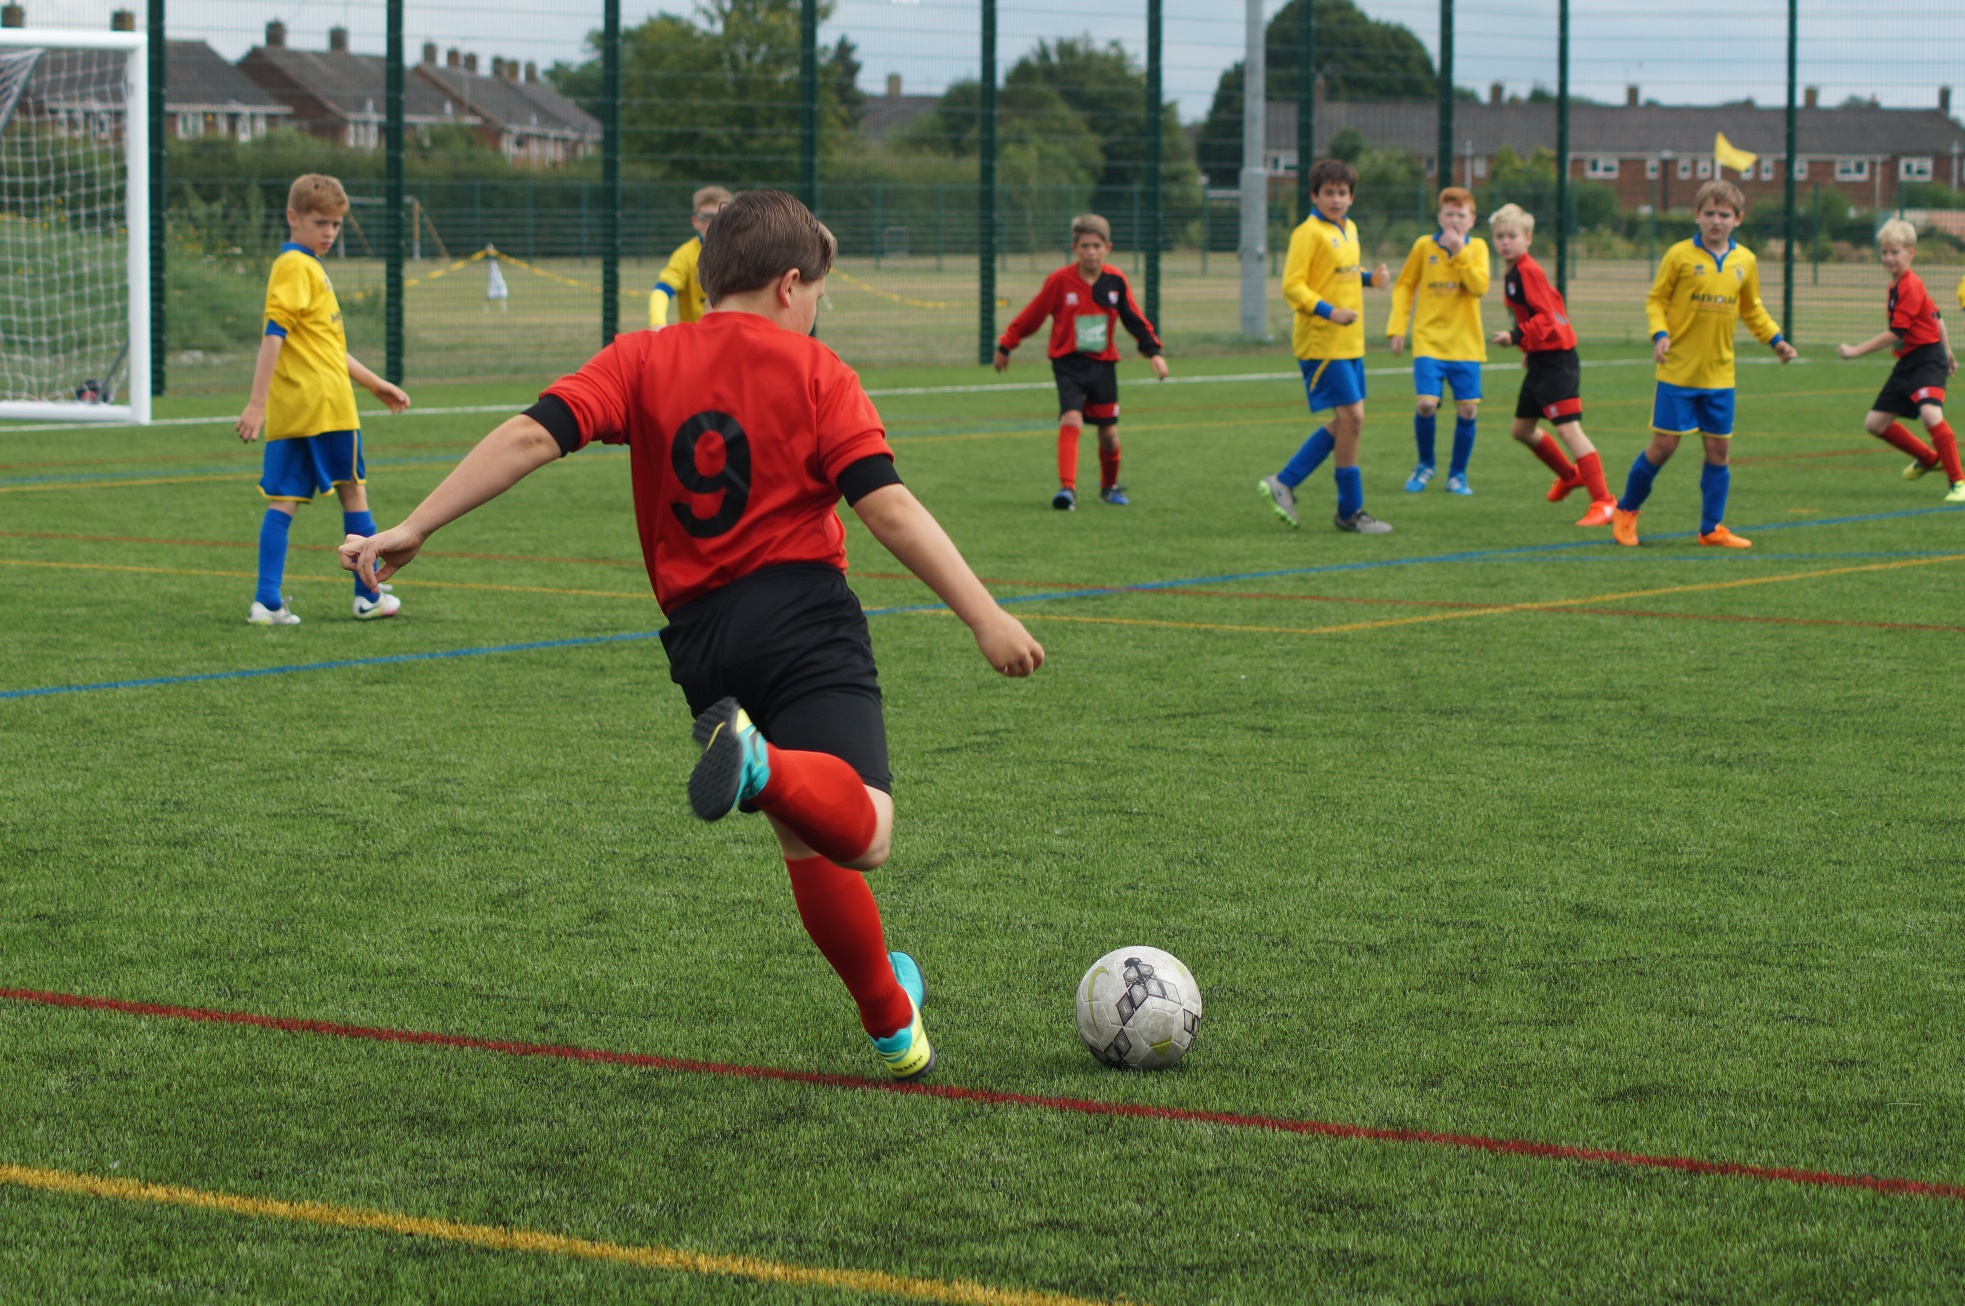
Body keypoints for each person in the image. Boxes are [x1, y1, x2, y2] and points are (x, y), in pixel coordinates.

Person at [339, 191, 1046, 1082]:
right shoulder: (818, 371)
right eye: (818, 292)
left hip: (703, 640)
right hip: (801, 616)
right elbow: (887, 507)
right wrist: (984, 615)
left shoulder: (640, 357)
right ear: (790, 284)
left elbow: (529, 437)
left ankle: (892, 1024)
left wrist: (416, 524)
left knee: (804, 837)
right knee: (864, 833)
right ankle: (762, 767)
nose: (817, 308)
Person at [234, 173, 411, 625]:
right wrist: (255, 403)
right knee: (354, 494)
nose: (329, 232)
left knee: (283, 500)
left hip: (294, 411)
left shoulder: (304, 265)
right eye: (320, 223)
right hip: (328, 408)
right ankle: (367, 596)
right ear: (293, 217)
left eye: (335, 224)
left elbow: (325, 346)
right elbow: (273, 336)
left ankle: (266, 602)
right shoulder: (297, 266)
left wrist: (374, 383)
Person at [1612, 180, 1797, 549]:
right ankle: (1626, 511)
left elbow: (1752, 309)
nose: (1716, 220)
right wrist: (1659, 334)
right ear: (1696, 215)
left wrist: (1776, 340)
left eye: (1724, 214)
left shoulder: (1745, 261)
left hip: (1719, 375)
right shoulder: (1679, 255)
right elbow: (1656, 300)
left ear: (1738, 218)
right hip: (1677, 371)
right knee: (1663, 447)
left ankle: (1711, 529)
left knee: (1719, 453)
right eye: (1709, 213)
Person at [994, 214, 1167, 509]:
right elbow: (1032, 315)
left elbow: (1134, 319)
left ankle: (1109, 488)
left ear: (1107, 248)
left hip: (1103, 366)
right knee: (1071, 419)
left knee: (1108, 435)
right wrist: (1007, 344)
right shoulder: (1060, 281)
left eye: (1096, 246)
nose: (1091, 252)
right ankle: (1067, 489)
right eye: (1085, 246)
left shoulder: (1115, 281)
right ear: (1074, 248)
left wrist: (1154, 353)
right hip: (1068, 364)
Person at [1259, 158, 1393, 533]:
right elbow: (1293, 286)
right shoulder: (1307, 233)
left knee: (1349, 421)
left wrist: (1369, 278)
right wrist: (1329, 311)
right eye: (1329, 192)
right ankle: (1349, 512)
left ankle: (1285, 482)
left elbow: (1341, 273)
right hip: (1321, 342)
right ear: (1314, 196)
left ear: (1352, 197)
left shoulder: (1349, 229)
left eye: (1342, 193)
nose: (1336, 199)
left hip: (1350, 342)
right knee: (1353, 419)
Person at [1486, 203, 1615, 528]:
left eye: (1512, 236)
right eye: (1500, 236)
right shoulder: (1513, 272)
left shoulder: (1527, 270)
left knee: (1569, 430)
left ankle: (1605, 502)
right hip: (1540, 359)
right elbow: (1549, 308)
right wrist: (1529, 347)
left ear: (1528, 238)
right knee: (1522, 430)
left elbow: (1546, 316)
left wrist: (1516, 336)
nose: (1505, 242)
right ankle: (1571, 477)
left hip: (1557, 361)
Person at [1833, 219, 1963, 504]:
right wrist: (1949, 350)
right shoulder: (1896, 285)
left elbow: (1896, 333)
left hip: (1927, 360)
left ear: (1910, 253)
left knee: (1931, 415)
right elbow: (1936, 315)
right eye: (1884, 252)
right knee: (1875, 424)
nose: (1889, 258)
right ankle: (1928, 459)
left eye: (1895, 252)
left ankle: (1958, 481)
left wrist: (1855, 351)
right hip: (1909, 362)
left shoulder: (1911, 285)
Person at [1387, 186, 1489, 496]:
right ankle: (1425, 465)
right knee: (1426, 404)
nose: (1455, 220)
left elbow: (1479, 287)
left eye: (1461, 215)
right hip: (1429, 340)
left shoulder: (1478, 248)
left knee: (1468, 410)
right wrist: (1397, 327)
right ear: (1439, 217)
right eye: (1449, 214)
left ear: (1472, 220)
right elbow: (1405, 286)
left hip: (1466, 343)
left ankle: (1457, 475)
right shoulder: (1423, 246)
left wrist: (1459, 254)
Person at [647, 186, 732, 330]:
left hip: (732, 335)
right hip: (695, 337)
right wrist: (657, 323)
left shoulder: (743, 252)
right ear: (695, 222)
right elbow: (662, 291)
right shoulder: (685, 255)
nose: (711, 224)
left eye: (718, 217)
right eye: (705, 218)